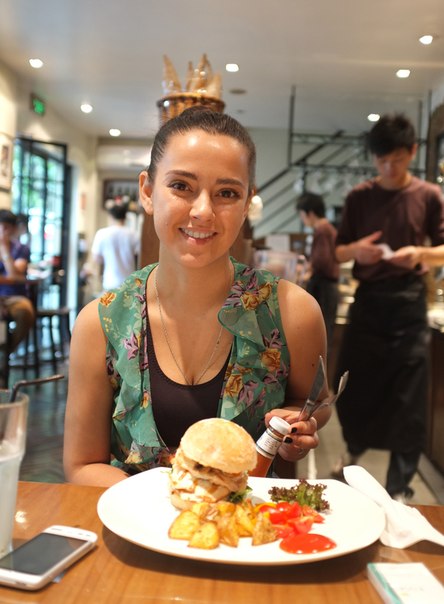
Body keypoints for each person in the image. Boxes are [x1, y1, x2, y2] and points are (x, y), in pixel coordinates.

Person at [63, 106, 330, 487]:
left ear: (246, 204)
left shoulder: (292, 312)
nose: (203, 211)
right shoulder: (101, 323)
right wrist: (175, 498)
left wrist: (299, 424)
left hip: (247, 522)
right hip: (134, 518)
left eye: (227, 193)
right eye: (181, 186)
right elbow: (82, 465)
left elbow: (315, 401)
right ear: (147, 191)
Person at [332, 113, 444, 501]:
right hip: (368, 303)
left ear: (412, 152)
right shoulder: (359, 197)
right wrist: (356, 250)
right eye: (381, 160)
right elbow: (339, 250)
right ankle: (352, 455)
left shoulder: (428, 196)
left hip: (408, 304)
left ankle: (399, 487)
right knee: (355, 386)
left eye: (396, 159)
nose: (388, 168)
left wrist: (420, 254)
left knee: (409, 398)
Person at [296, 192, 339, 347]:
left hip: (324, 288)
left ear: (310, 213)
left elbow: (321, 260)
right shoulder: (328, 228)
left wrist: (308, 269)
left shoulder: (322, 230)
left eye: (302, 214)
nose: (302, 219)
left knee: (321, 334)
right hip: (327, 287)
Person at [0, 209, 35, 352]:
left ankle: (6, 351)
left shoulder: (21, 249)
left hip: (15, 297)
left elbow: (14, 275)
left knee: (25, 311)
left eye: (6, 227)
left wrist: (4, 249)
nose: (2, 231)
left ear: (13, 228)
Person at [91, 204, 140, 291]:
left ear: (110, 217)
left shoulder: (102, 233)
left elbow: (96, 258)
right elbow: (138, 257)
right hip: (129, 282)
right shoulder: (134, 234)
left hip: (110, 282)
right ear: (125, 217)